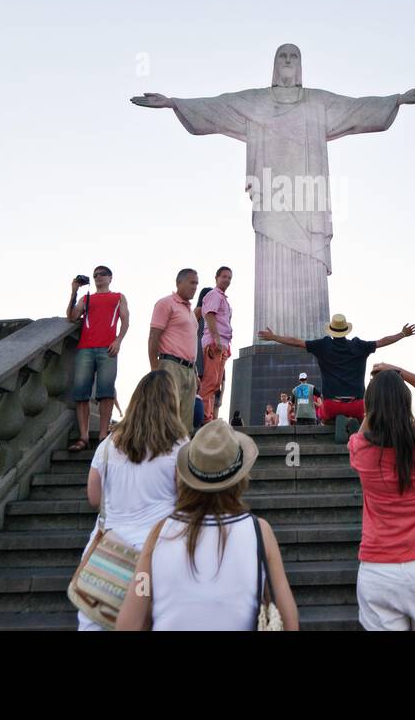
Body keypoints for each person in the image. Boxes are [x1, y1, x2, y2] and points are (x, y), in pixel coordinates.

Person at [115, 419, 299, 630]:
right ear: (240, 478)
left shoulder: (160, 533)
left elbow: (133, 612)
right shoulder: (259, 532)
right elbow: (289, 620)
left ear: (187, 476)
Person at [348, 362, 415, 630]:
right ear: (406, 401)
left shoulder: (361, 450)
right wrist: (399, 373)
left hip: (376, 572)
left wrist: (375, 402)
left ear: (370, 408)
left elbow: (364, 430)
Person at [77, 370, 188, 631]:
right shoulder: (180, 445)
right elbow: (186, 500)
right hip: (157, 553)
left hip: (107, 552)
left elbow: (94, 497)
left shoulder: (107, 445)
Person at [259, 314, 415, 429]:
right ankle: (355, 425)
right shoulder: (359, 345)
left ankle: (337, 422)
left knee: (325, 419)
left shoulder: (323, 345)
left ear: (332, 331)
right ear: (346, 331)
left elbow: (296, 342)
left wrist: (274, 337)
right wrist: (402, 334)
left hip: (331, 404)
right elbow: (382, 341)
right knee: (365, 419)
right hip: (358, 404)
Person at [66, 266, 129, 452]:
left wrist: (118, 341)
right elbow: (71, 317)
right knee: (81, 393)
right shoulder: (87, 298)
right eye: (95, 275)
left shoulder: (118, 297)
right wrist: (74, 291)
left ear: (110, 277)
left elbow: (125, 320)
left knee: (106, 393)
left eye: (102, 274)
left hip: (108, 348)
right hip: (85, 348)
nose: (98, 277)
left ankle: (103, 435)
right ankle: (83, 437)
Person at [149, 269, 201, 435]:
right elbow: (153, 337)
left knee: (185, 424)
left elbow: (189, 343)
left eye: (196, 283)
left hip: (189, 369)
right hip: (170, 365)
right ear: (179, 283)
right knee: (167, 416)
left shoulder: (191, 313)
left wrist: (195, 372)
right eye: (192, 282)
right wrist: (154, 369)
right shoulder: (166, 303)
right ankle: (160, 457)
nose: (195, 287)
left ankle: (179, 458)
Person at [198, 267, 234, 422]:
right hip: (215, 344)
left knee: (215, 384)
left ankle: (209, 416)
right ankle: (205, 418)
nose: (226, 280)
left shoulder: (223, 298)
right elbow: (210, 315)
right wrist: (217, 339)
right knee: (209, 382)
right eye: (224, 276)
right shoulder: (214, 295)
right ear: (216, 277)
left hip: (223, 345)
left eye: (229, 277)